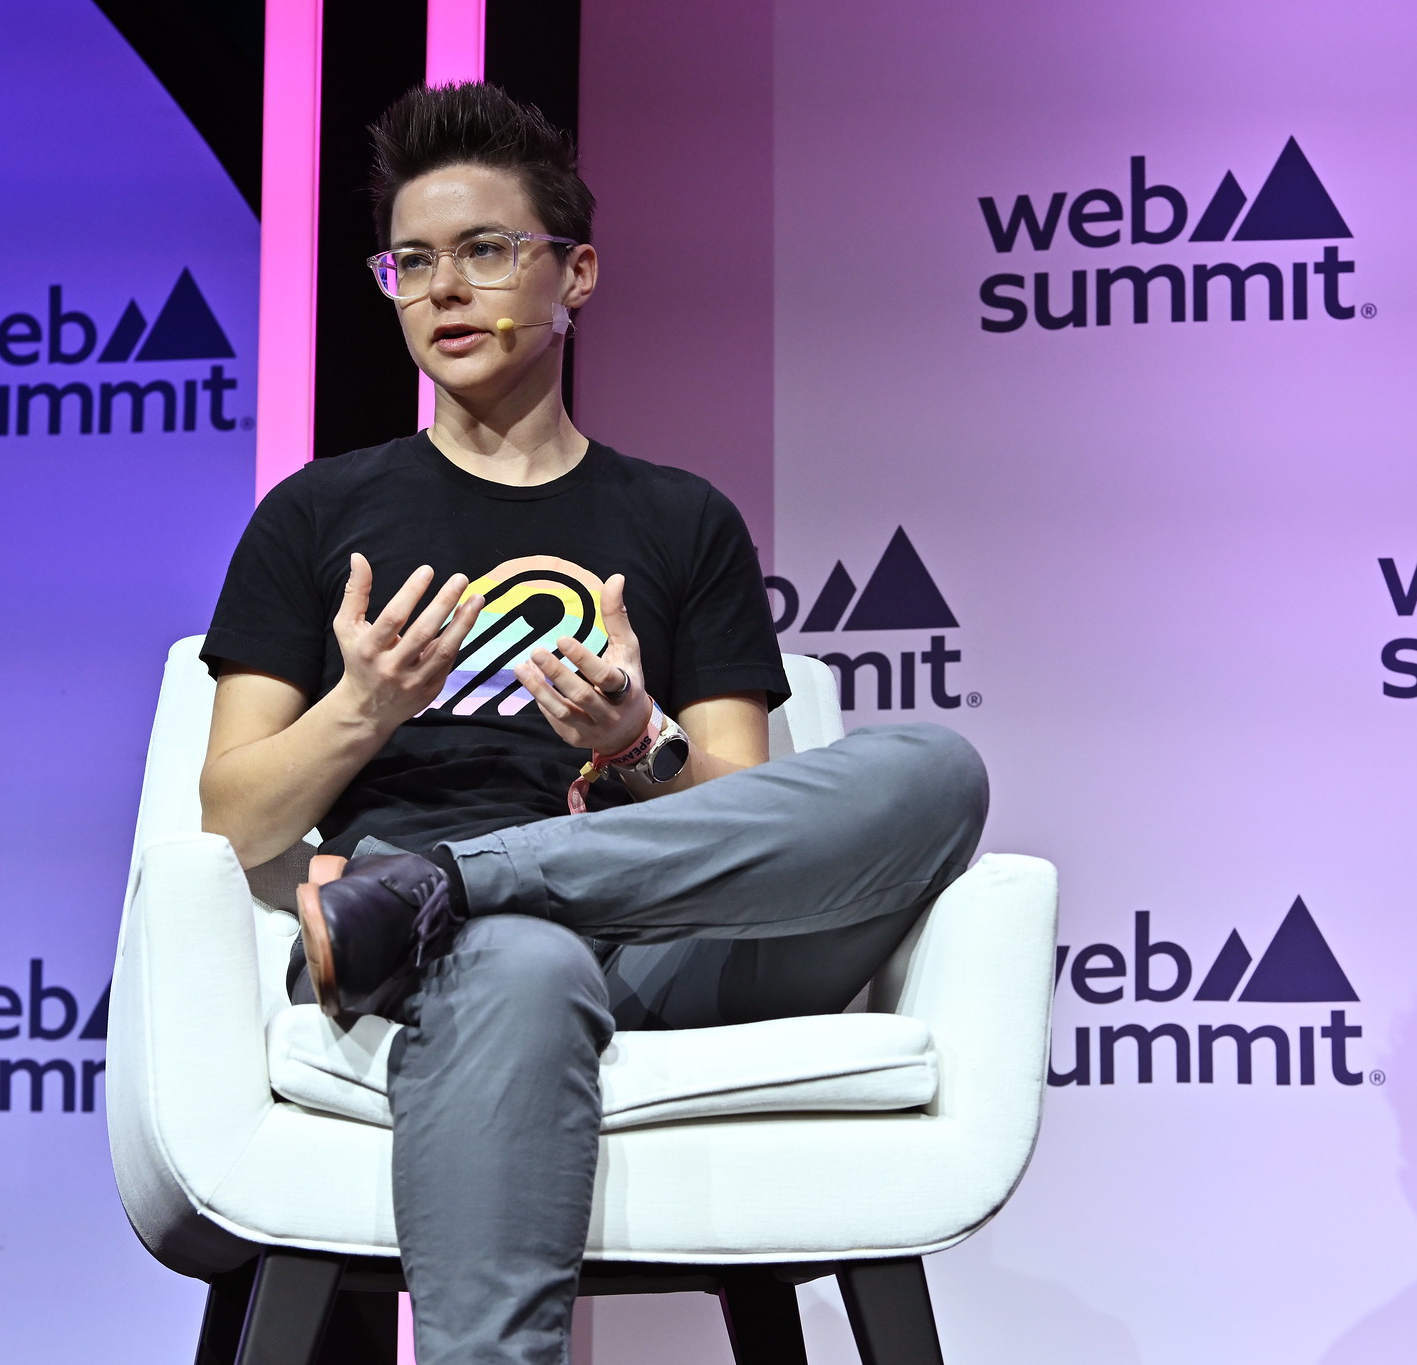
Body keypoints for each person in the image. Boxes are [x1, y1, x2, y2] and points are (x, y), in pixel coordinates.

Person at [198, 81, 987, 1365]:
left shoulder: (680, 521)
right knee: (523, 961)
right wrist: (362, 708)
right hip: (441, 971)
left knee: (934, 771)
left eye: (487, 251)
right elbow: (233, 820)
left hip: (654, 932)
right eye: (412, 262)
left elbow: (745, 814)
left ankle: (454, 883)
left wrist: (635, 748)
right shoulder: (316, 514)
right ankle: (458, 905)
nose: (443, 289)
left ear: (576, 274)